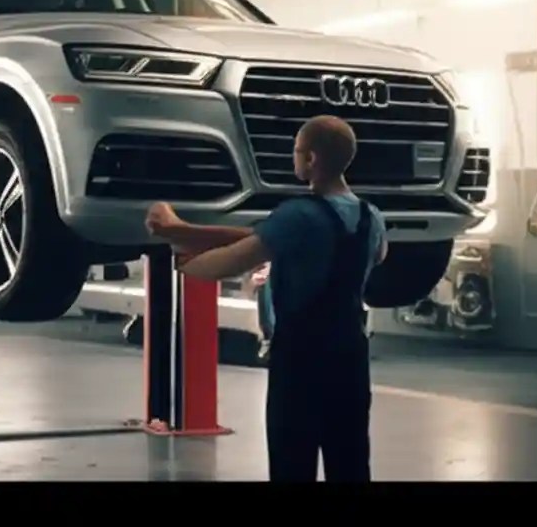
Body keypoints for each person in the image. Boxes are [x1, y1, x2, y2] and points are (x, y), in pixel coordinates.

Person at [145, 115, 387, 482]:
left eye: (297, 151)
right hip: (351, 358)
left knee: (292, 461)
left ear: (311, 161)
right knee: (350, 461)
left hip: (301, 359)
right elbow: (374, 254)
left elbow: (232, 260)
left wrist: (180, 258)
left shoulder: (297, 215)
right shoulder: (373, 218)